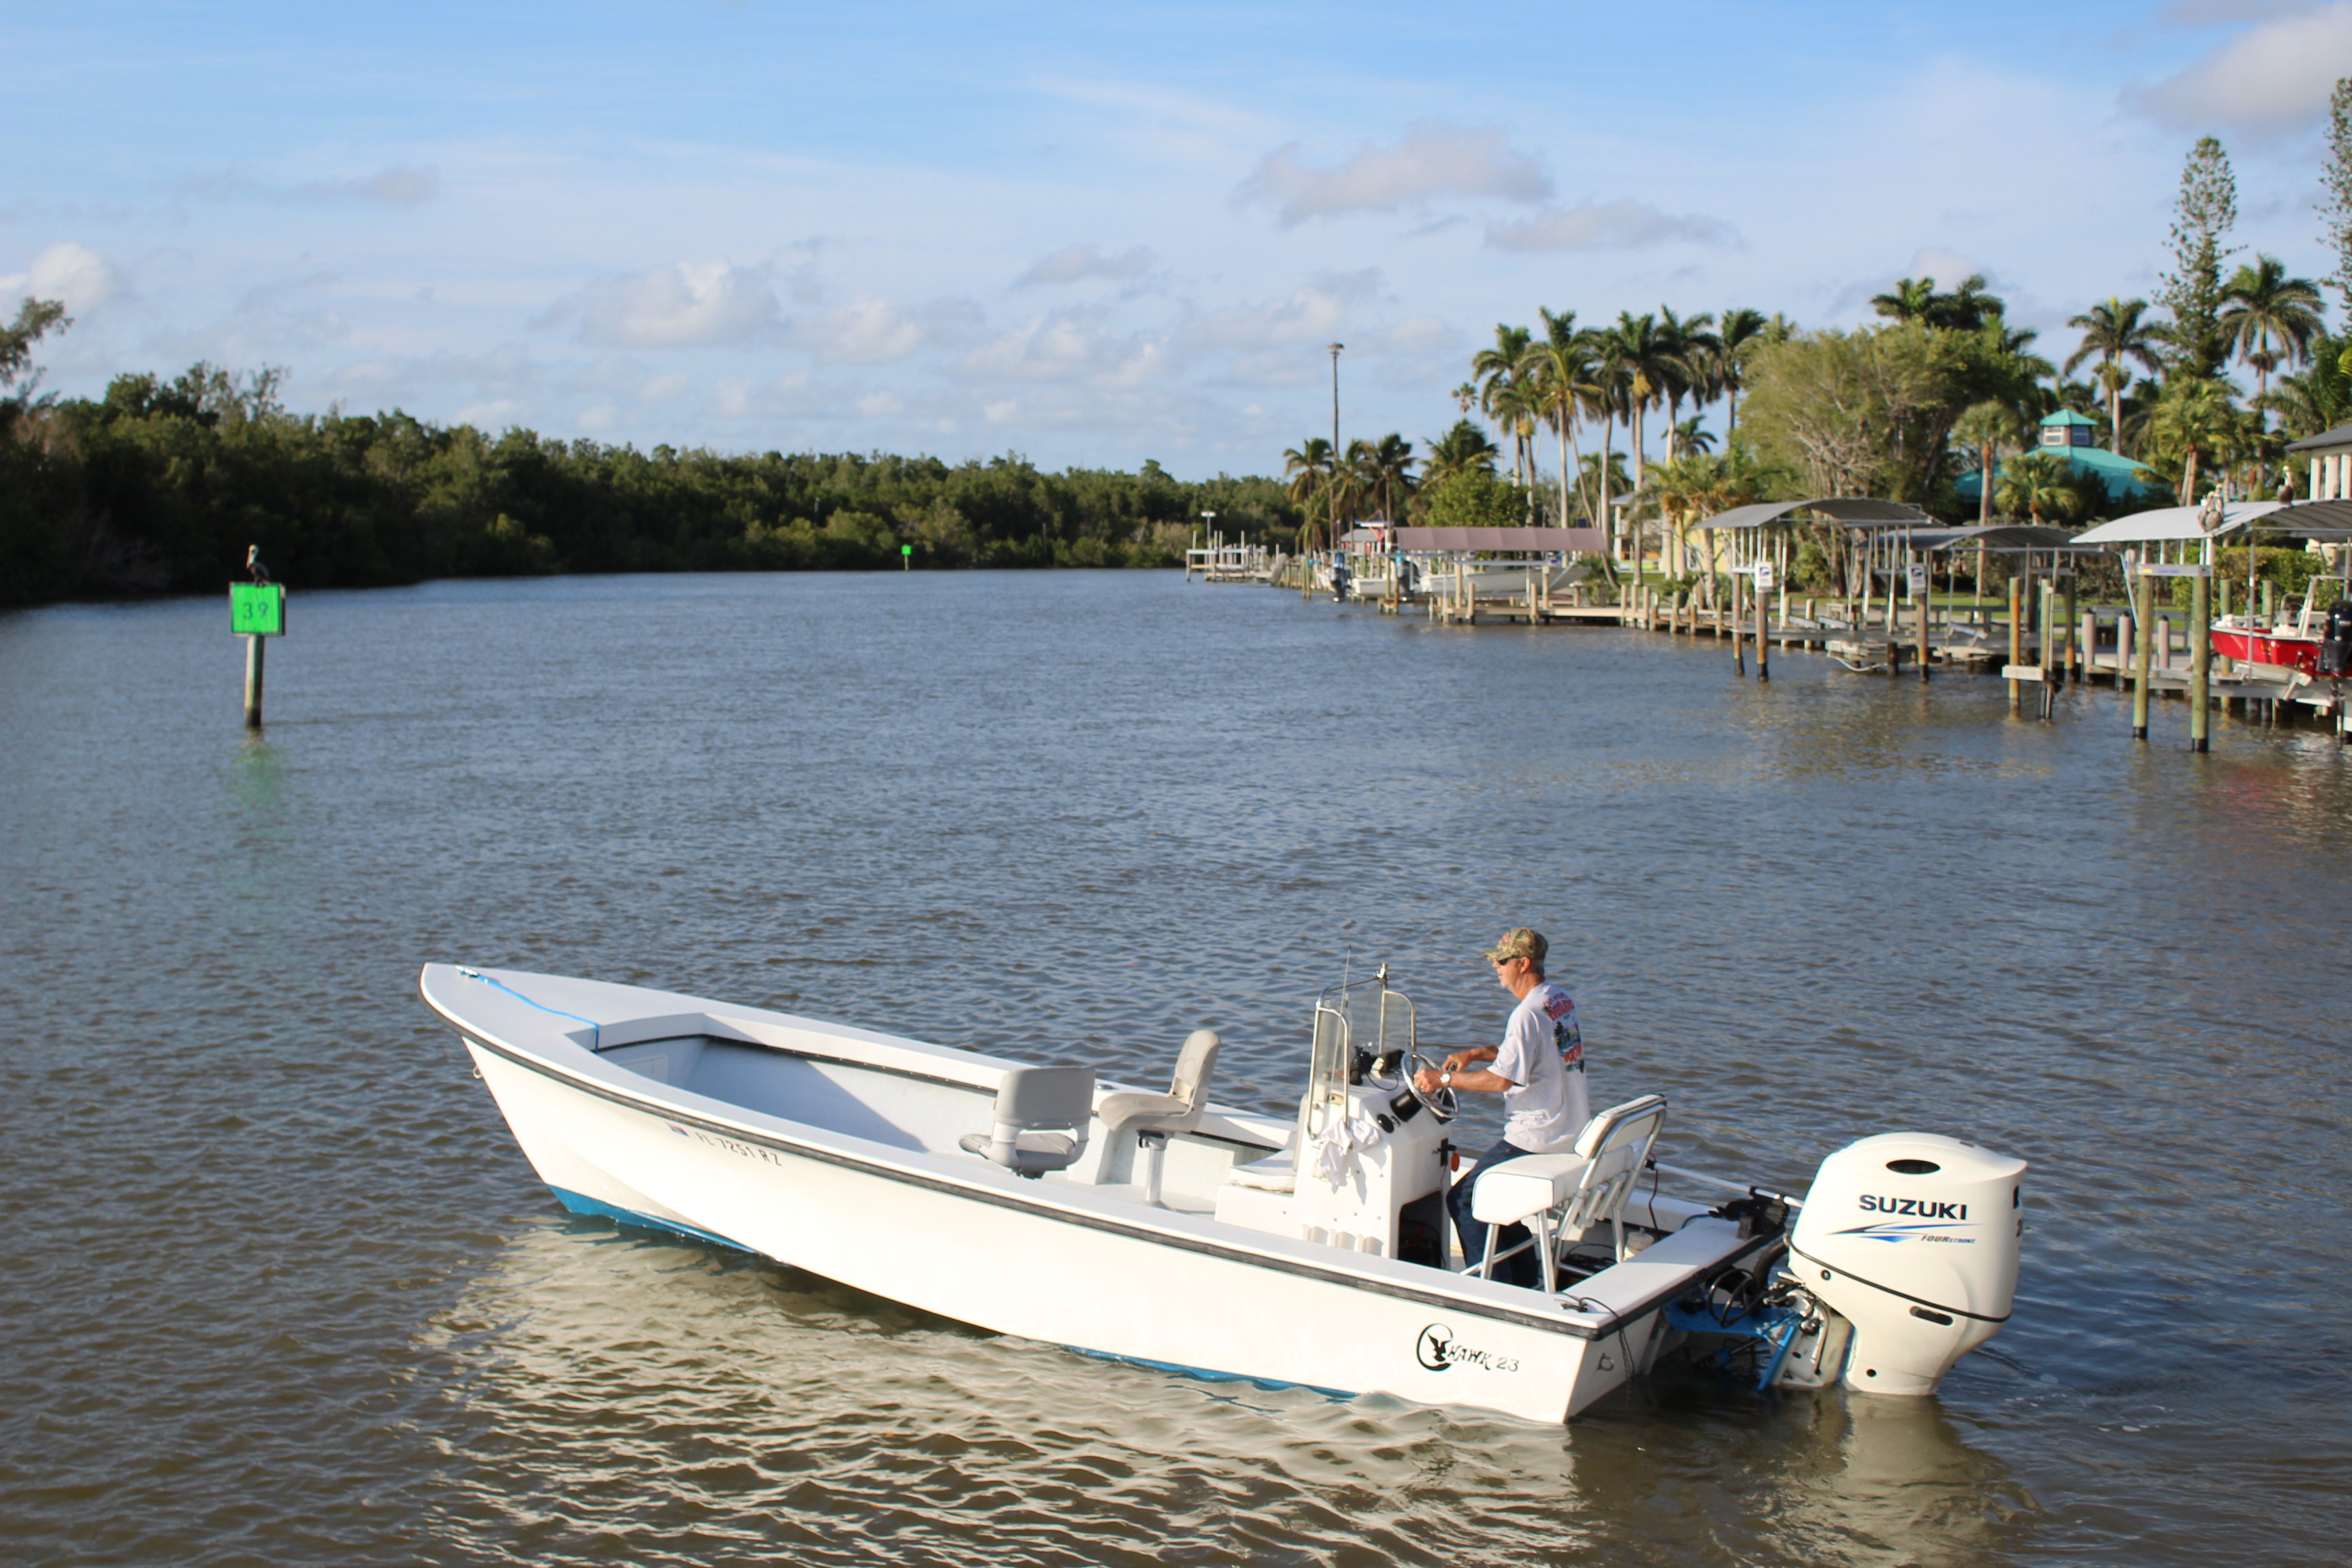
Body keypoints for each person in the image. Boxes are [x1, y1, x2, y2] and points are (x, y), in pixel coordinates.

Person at [1414, 927, 1588, 1286]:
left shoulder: (1526, 1015)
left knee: (1464, 1200)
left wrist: (1440, 1080)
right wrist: (1475, 1053)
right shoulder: (1558, 999)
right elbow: (1529, 1047)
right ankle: (1524, 1279)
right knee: (1493, 1202)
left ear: (1523, 964)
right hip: (1570, 1129)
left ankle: (1491, 1289)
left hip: (1536, 1137)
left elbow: (1500, 1081)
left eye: (1502, 960)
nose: (1495, 965)